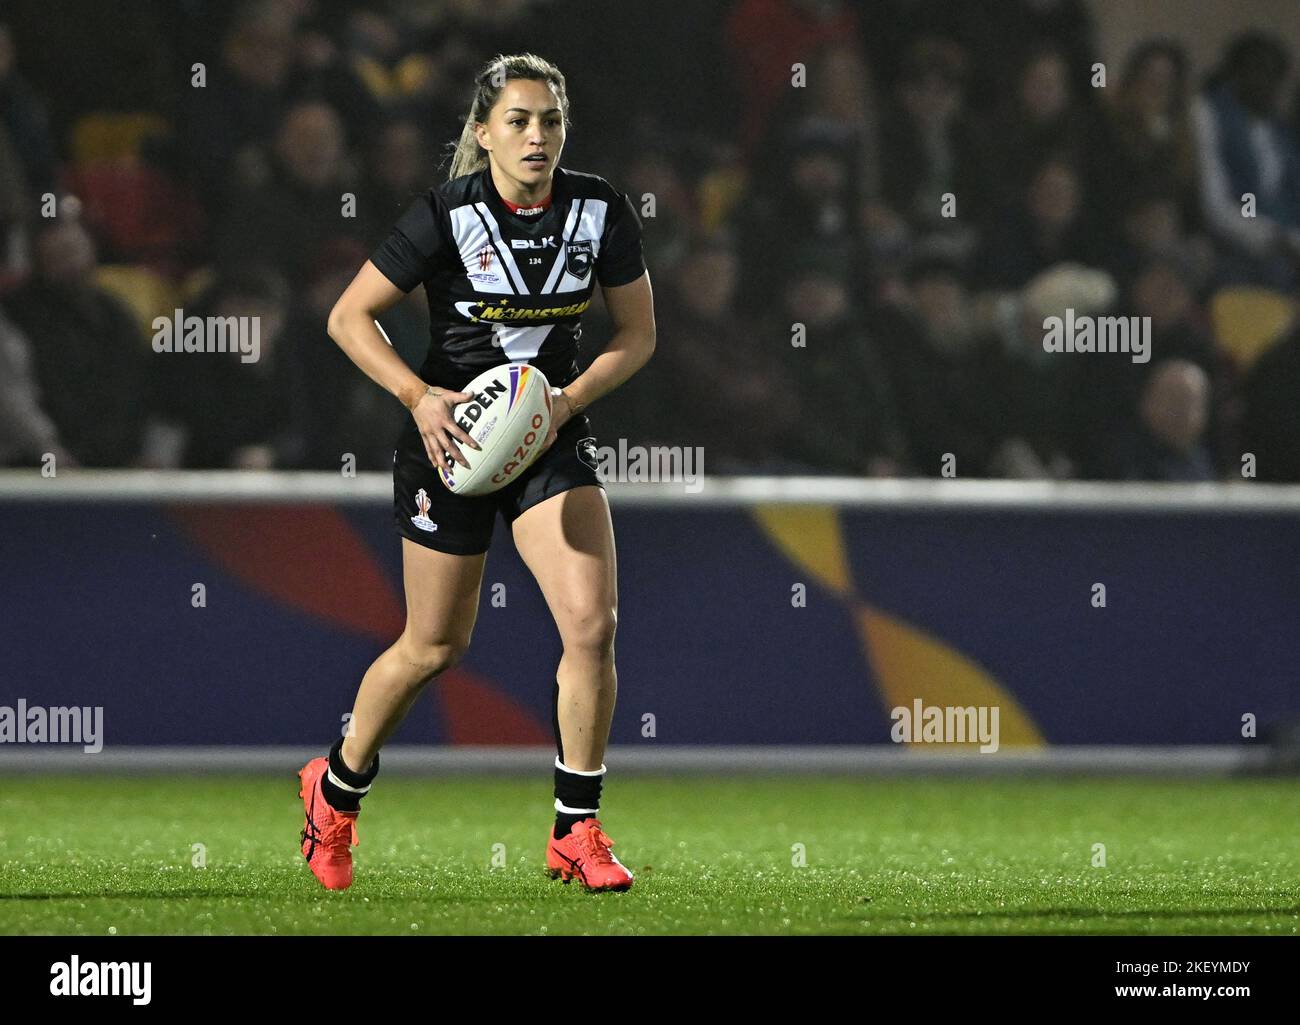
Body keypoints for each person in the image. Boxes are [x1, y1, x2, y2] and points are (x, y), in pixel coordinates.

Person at [299, 53, 656, 893]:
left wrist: (563, 405)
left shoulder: (599, 209)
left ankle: (576, 829)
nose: (537, 136)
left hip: (550, 440)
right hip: (452, 447)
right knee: (433, 646)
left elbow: (637, 335)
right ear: (483, 132)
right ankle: (336, 787)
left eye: (551, 121)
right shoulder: (443, 214)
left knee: (591, 625)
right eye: (520, 120)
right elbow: (348, 317)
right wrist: (418, 396)